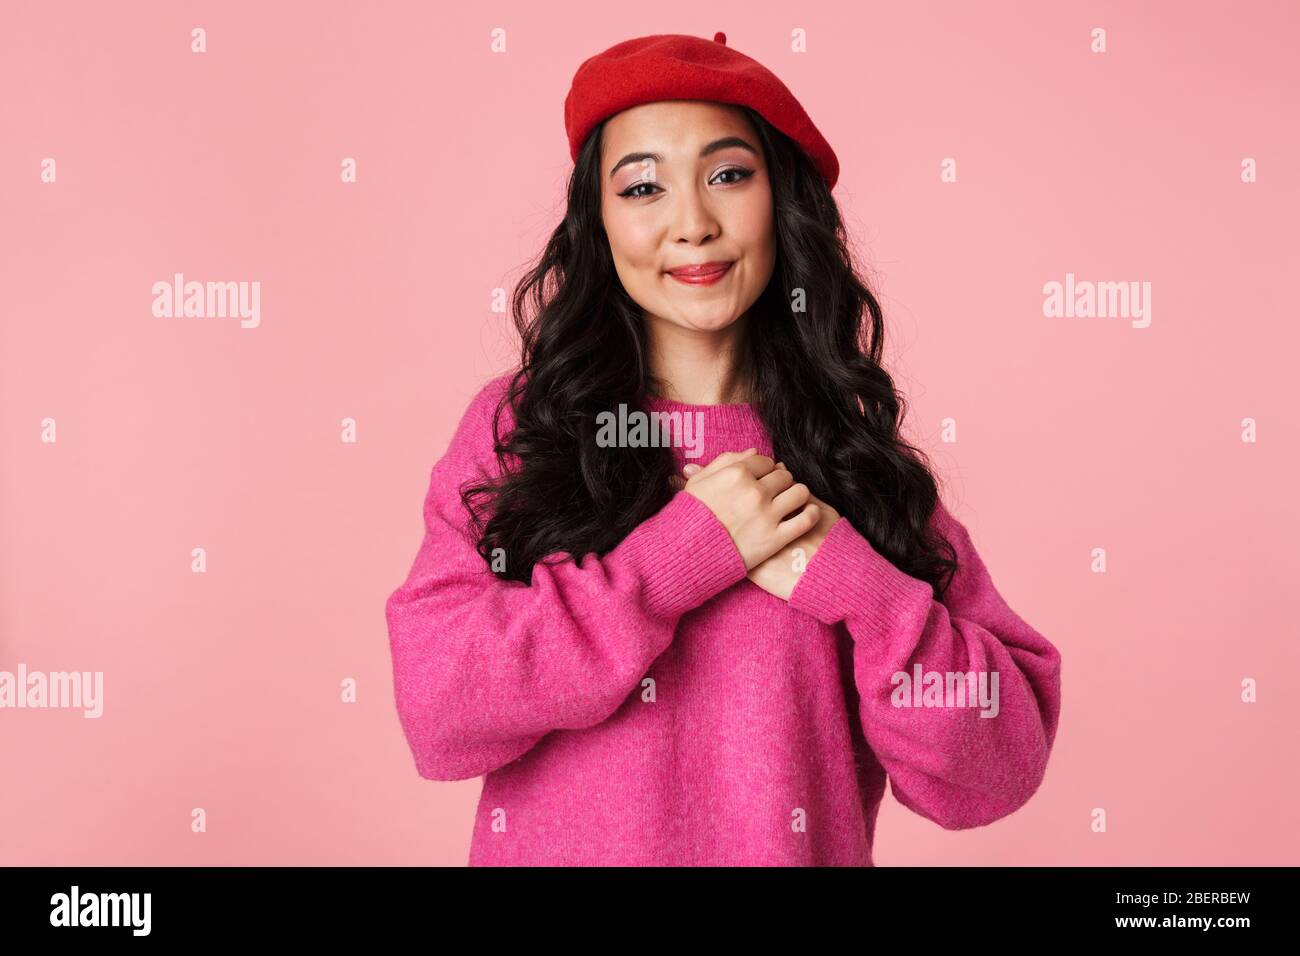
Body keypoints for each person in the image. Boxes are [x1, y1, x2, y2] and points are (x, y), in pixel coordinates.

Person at [384, 31, 1062, 866]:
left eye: (729, 175)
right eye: (642, 187)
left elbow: (1000, 769)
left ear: (783, 202)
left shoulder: (849, 456)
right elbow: (438, 711)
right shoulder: (525, 432)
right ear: (598, 223)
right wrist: (670, 564)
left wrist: (862, 590)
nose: (693, 225)